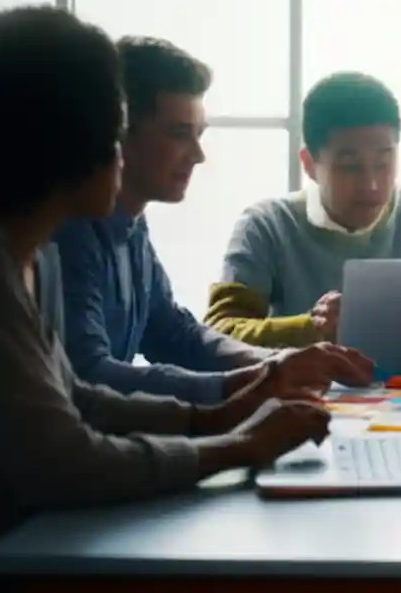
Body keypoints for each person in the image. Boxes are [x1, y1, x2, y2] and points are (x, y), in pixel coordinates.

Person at [0, 7, 348, 577]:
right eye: (113, 129)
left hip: (33, 543)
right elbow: (64, 459)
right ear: (68, 140)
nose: (121, 153)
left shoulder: (27, 251)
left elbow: (78, 397)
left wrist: (231, 409)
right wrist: (239, 445)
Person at [53, 37, 371, 404]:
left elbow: (172, 333)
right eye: (179, 134)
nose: (198, 155)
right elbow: (88, 375)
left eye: (199, 134)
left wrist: (276, 362)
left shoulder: (132, 226)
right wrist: (248, 382)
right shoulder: (70, 233)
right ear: (118, 133)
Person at [205, 71, 401, 347]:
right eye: (349, 166)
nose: (371, 185)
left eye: (383, 163)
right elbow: (219, 332)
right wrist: (312, 327)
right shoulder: (267, 226)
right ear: (309, 164)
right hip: (303, 390)